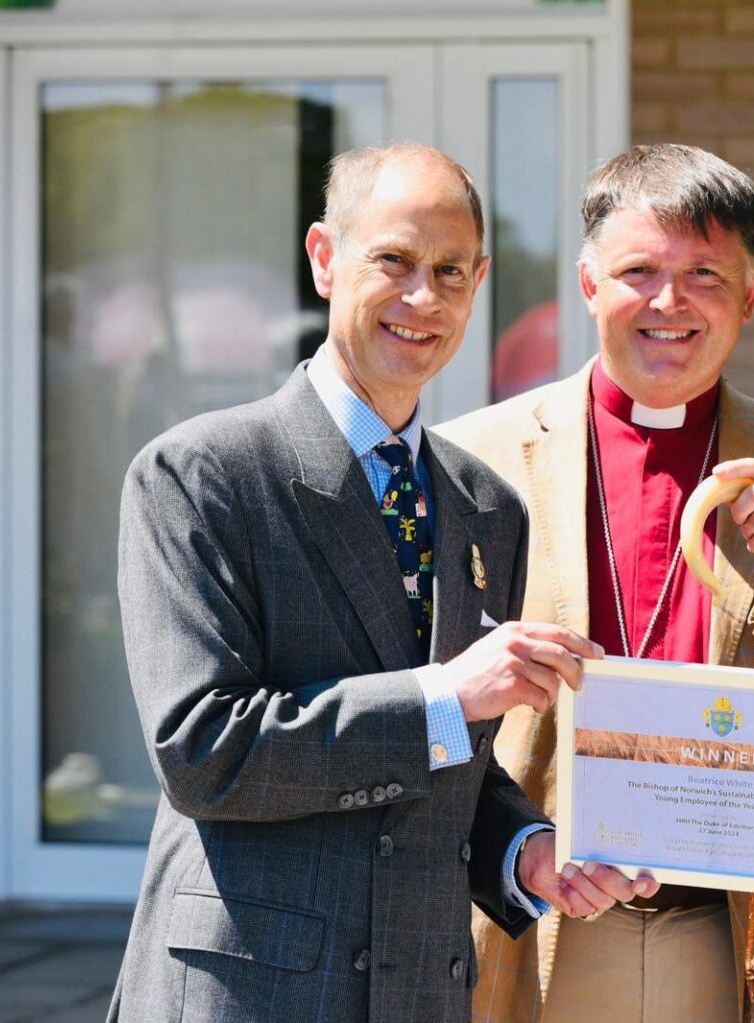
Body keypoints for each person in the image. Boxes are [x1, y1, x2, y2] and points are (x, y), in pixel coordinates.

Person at [110, 142, 652, 1023]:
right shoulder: (201, 475)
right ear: (325, 258)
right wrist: (445, 694)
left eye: (449, 271)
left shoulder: (487, 508)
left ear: (478, 283)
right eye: (393, 262)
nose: (422, 298)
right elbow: (205, 754)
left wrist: (525, 848)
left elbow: (451, 767)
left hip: (419, 991)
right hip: (249, 992)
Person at [436, 143, 754, 1023]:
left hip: (739, 936)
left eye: (705, 275)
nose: (670, 302)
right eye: (640, 270)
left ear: (751, 293)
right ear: (589, 284)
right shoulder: (470, 460)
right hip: (543, 921)